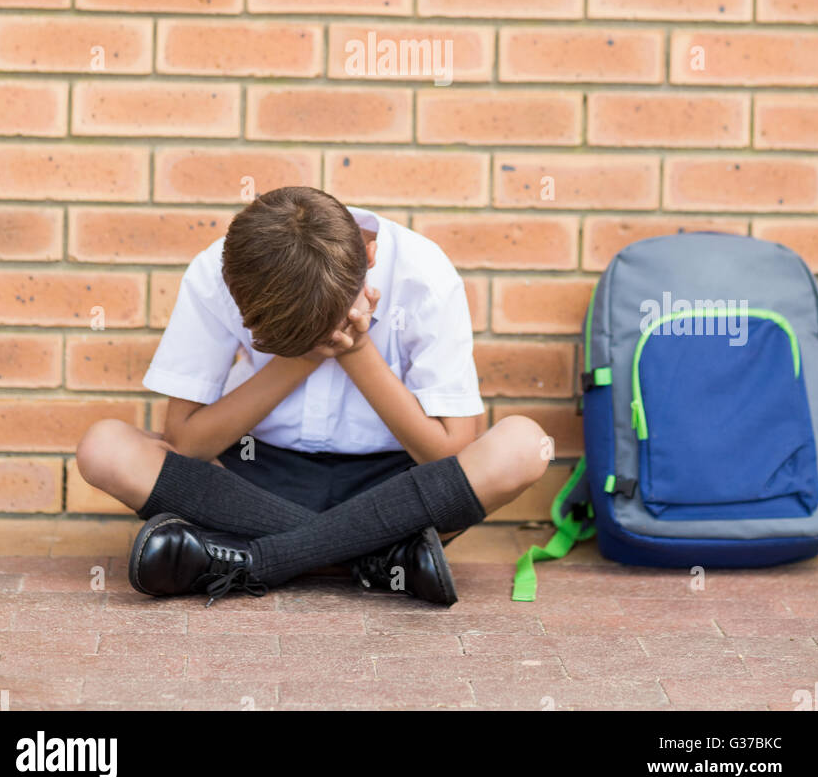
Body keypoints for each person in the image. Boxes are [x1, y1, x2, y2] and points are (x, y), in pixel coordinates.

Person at [76, 186, 552, 607]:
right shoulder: (219, 272)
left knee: (524, 446)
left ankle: (258, 559)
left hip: (397, 485)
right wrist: (303, 357)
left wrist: (356, 350)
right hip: (253, 480)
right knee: (105, 449)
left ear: (369, 255)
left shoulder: (424, 273)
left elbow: (448, 451)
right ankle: (381, 557)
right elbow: (187, 441)